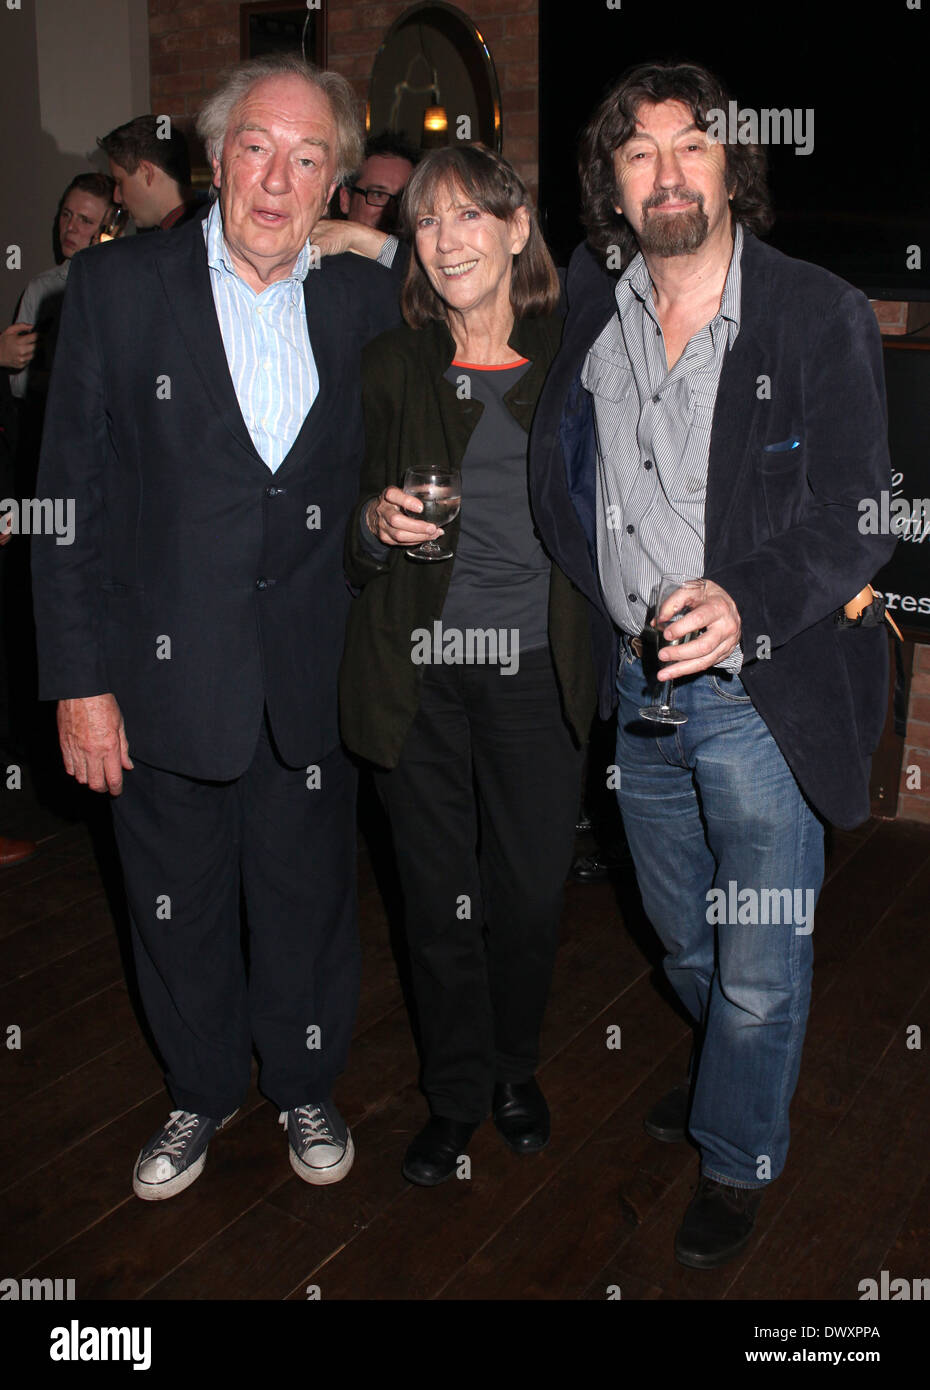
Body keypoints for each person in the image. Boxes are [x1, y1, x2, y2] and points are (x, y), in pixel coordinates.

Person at [528, 60, 895, 1267]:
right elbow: (451, 262)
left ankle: (739, 1151)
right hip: (635, 688)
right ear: (614, 186)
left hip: (762, 694)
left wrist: (746, 598)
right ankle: (732, 1069)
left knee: (756, 962)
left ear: (735, 165)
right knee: (684, 939)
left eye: (694, 145)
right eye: (639, 151)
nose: (669, 170)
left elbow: (857, 510)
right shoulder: (592, 297)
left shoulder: (817, 311)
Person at [32, 54, 402, 1201]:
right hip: (158, 684)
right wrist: (78, 684)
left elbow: (512, 295)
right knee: (174, 908)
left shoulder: (363, 303)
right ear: (215, 156)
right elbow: (66, 503)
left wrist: (389, 247)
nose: (278, 181)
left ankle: (302, 1081)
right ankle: (197, 1091)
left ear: (336, 181)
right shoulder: (115, 290)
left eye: (308, 158)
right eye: (257, 147)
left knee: (306, 904)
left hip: (308, 681)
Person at [339, 145, 598, 1185]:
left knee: (529, 894)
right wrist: (371, 525)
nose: (448, 240)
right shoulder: (390, 365)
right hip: (418, 674)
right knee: (437, 894)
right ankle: (454, 1094)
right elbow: (344, 530)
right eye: (426, 222)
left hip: (538, 667)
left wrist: (351, 234)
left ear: (517, 226)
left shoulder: (575, 345)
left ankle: (513, 1067)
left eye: (470, 217)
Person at [9, 172, 116, 401]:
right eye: (66, 215)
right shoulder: (41, 288)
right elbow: (18, 383)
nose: (70, 227)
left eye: (85, 221)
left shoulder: (124, 287)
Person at [98, 115, 205, 231]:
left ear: (147, 173)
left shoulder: (181, 241)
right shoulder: (205, 227)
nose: (116, 197)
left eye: (119, 182)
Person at [338, 130, 419, 234]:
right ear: (346, 201)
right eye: (378, 195)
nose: (391, 211)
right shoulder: (315, 248)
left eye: (401, 199)